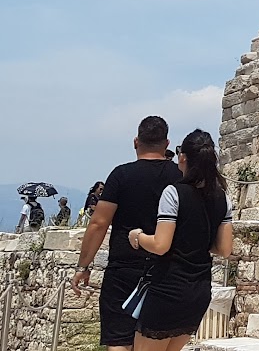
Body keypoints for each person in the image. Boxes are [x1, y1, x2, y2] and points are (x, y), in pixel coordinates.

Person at [71, 116, 182, 351]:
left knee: (119, 340)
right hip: (167, 269)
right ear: (167, 144)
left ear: (135, 142)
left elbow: (99, 223)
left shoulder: (121, 175)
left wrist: (83, 267)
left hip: (124, 268)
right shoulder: (179, 177)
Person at [128, 129, 233, 351]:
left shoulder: (173, 193)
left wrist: (137, 237)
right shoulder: (222, 197)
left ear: (183, 156)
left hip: (168, 287)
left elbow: (160, 245)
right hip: (199, 291)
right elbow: (224, 249)